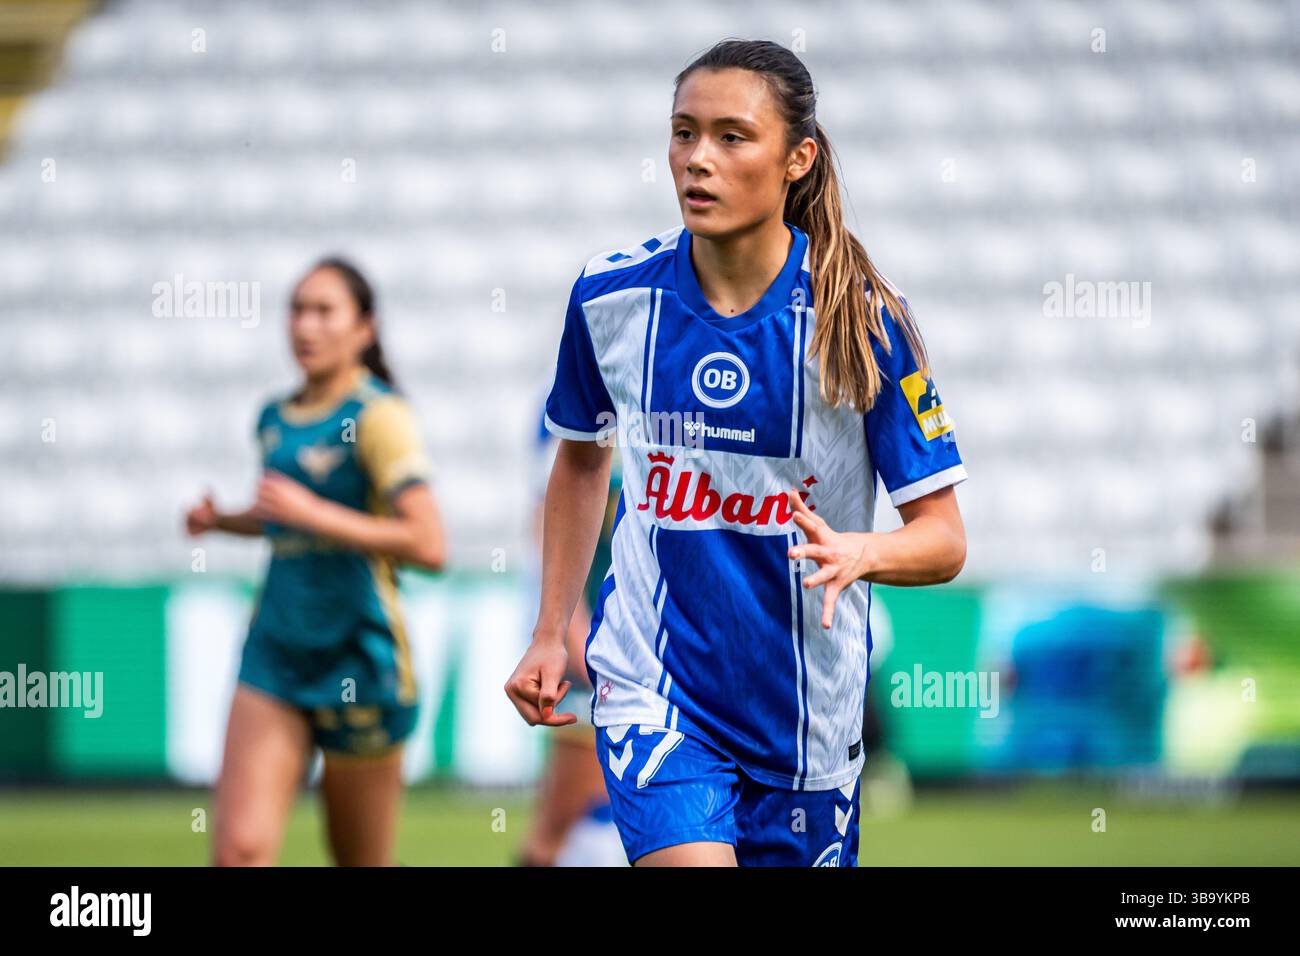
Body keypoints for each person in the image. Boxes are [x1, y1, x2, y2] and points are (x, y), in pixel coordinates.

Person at [505, 39, 967, 867]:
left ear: (798, 159)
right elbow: (582, 456)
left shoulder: (861, 322)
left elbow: (944, 538)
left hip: (806, 719)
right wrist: (549, 631)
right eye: (684, 133)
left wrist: (859, 552)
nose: (698, 159)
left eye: (731, 137)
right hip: (655, 689)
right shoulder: (611, 298)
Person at [186, 257, 445, 866]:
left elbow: (429, 544)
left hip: (360, 655)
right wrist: (223, 520)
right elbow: (282, 519)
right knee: (239, 851)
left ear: (364, 328)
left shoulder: (379, 417)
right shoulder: (274, 419)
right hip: (276, 654)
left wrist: (313, 512)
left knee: (358, 860)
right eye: (298, 310)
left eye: (325, 311)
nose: (306, 325)